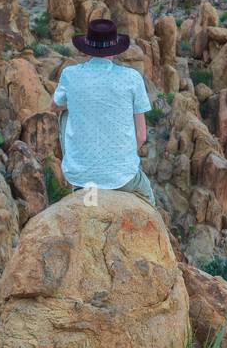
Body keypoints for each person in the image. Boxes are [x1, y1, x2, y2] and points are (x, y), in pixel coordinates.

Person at [50, 18, 156, 207]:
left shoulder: (70, 74)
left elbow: (54, 106)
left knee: (66, 113)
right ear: (114, 49)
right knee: (147, 197)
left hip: (83, 178)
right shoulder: (132, 78)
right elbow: (141, 136)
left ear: (87, 47)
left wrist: (79, 101)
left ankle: (85, 191)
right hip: (123, 177)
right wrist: (118, 158)